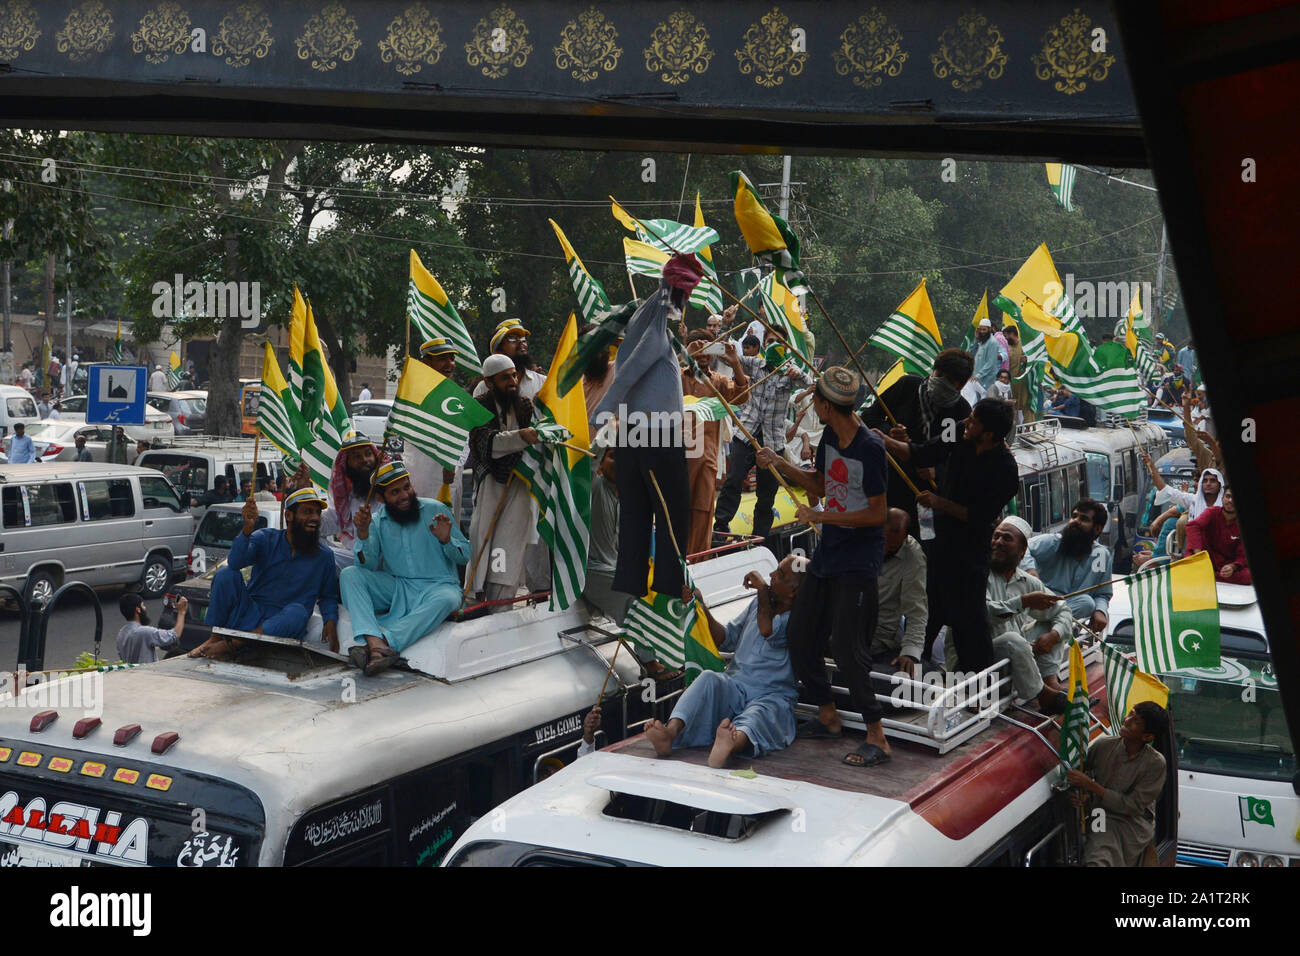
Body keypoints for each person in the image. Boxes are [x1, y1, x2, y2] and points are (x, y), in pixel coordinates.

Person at [758, 367, 890, 767]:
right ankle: (828, 714)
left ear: (826, 406)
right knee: (800, 636)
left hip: (857, 561)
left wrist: (825, 517)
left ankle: (877, 735)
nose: (812, 405)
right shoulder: (831, 436)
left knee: (848, 650)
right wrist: (779, 464)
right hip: (828, 554)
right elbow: (820, 485)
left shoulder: (870, 448)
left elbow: (877, 514)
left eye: (815, 400)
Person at [876, 398, 1020, 673]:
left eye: (974, 421)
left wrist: (940, 503)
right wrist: (885, 441)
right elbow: (922, 452)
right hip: (937, 542)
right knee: (926, 609)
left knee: (971, 623)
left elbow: (980, 515)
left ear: (989, 434)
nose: (966, 422)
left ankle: (979, 686)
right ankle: (914, 670)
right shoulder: (958, 431)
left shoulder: (1005, 470)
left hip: (969, 551)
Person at [643, 555, 804, 768]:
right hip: (736, 686)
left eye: (780, 576)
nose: (772, 576)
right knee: (708, 678)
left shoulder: (798, 620)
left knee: (758, 716)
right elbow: (725, 638)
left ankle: (730, 743)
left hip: (771, 694)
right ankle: (670, 733)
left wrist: (762, 588)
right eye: (775, 571)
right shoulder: (758, 604)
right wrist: (700, 604)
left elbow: (768, 629)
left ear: (793, 592)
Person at [340, 460, 470, 675]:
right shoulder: (377, 521)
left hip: (438, 587)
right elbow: (368, 565)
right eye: (395, 492)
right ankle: (374, 641)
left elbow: (464, 557)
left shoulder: (436, 509)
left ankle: (383, 643)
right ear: (381, 498)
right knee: (350, 575)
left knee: (448, 599)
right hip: (399, 587)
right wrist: (363, 535)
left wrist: (447, 540)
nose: (404, 495)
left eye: (407, 487)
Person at [189, 487, 340, 659]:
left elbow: (328, 596)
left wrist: (330, 620)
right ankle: (214, 638)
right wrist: (247, 529)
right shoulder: (266, 538)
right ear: (289, 516)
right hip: (251, 613)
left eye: (317, 513)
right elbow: (236, 562)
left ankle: (231, 645)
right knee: (225, 574)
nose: (314, 517)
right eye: (307, 512)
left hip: (283, 624)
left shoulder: (324, 555)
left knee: (298, 612)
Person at [713, 328, 813, 542]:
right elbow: (729, 357)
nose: (773, 344)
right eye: (770, 341)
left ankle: (760, 538)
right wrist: (724, 336)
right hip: (746, 434)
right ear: (764, 345)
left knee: (766, 494)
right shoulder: (755, 363)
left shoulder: (790, 371)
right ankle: (720, 528)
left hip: (773, 441)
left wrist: (798, 373)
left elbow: (811, 383)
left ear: (786, 347)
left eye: (778, 342)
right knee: (734, 480)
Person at [861, 348, 973, 528]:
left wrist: (937, 470)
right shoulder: (907, 386)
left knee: (922, 542)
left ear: (961, 385)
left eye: (949, 380)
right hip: (889, 481)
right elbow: (869, 417)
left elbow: (959, 458)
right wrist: (889, 432)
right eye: (939, 375)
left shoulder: (960, 412)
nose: (940, 382)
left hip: (926, 496)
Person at [467, 353, 541, 609]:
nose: (512, 381)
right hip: (491, 484)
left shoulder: (524, 405)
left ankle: (501, 601)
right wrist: (520, 436)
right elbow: (484, 444)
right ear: (489, 382)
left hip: (518, 484)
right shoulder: (478, 407)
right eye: (505, 377)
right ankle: (474, 596)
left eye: (514, 375)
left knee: (506, 545)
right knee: (482, 539)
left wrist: (526, 432)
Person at [983, 517, 1073, 709]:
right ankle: (1044, 695)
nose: (998, 542)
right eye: (996, 536)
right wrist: (1024, 602)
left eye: (1006, 538)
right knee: (1012, 640)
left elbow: (1063, 610)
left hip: (1013, 657)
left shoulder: (1027, 581)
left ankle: (1050, 682)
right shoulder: (980, 575)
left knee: (1049, 625)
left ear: (1022, 551)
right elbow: (985, 613)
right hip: (982, 658)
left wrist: (1052, 635)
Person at [1066, 702, 1170, 867]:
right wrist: (1083, 795)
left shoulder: (1155, 763)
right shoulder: (1103, 746)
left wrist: (1092, 787)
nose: (1127, 721)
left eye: (1136, 721)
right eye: (1130, 714)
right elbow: (1082, 773)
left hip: (1132, 824)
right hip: (1100, 814)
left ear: (1147, 737)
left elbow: (1133, 806)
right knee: (1098, 856)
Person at [682, 330, 749, 554]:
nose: (702, 355)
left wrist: (735, 363)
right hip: (675, 459)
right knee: (674, 511)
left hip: (704, 461)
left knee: (702, 512)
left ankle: (696, 564)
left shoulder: (719, 381)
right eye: (696, 349)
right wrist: (684, 356)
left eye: (707, 349)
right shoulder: (676, 376)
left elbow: (741, 397)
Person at [1020, 499, 1113, 633]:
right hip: (1041, 603)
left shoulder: (1101, 555)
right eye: (1074, 516)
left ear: (1097, 528)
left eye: (1084, 519)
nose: (1075, 521)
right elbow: (1024, 546)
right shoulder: (1054, 541)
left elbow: (1102, 594)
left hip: (1068, 613)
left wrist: (1100, 610)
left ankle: (1045, 631)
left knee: (1087, 603)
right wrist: (1030, 569)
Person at [404, 338, 468, 524]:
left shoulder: (457, 396)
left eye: (451, 359)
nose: (449, 364)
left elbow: (464, 438)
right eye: (442, 359)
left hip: (449, 478)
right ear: (427, 363)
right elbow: (393, 427)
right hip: (420, 475)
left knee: (447, 533)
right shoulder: (413, 393)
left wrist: (454, 465)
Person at [868, 508, 928, 678]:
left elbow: (916, 611)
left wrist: (910, 652)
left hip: (879, 638)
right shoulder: (861, 537)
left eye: (892, 546)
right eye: (882, 542)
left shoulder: (913, 557)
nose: (885, 550)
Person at [581, 448, 635, 624]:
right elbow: (586, 465)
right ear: (601, 464)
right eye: (613, 456)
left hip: (615, 571)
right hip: (591, 573)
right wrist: (608, 431)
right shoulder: (593, 486)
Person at [319, 433, 386, 565]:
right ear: (346, 464)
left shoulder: (388, 490)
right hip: (357, 557)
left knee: (330, 561)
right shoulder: (348, 497)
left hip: (385, 559)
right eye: (357, 456)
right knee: (308, 539)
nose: (365, 459)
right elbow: (331, 522)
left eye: (368, 454)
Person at [1186, 487, 1250, 583]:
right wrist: (1198, 555)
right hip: (1202, 558)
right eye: (1227, 496)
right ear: (1222, 498)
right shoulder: (1212, 512)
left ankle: (1210, 575)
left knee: (1248, 576)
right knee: (1187, 567)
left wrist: (1232, 567)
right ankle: (1209, 574)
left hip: (1224, 565)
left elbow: (1242, 555)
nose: (1230, 501)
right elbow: (1193, 526)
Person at [474, 318, 547, 400]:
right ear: (498, 352)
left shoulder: (543, 382)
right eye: (512, 338)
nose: (520, 342)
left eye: (523, 338)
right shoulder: (483, 388)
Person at [116, 593, 187, 664]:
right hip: (146, 673)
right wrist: (181, 612)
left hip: (128, 673)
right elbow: (175, 635)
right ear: (138, 610)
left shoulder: (121, 633)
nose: (145, 608)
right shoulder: (144, 632)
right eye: (143, 605)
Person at [1004, 324, 1033, 423]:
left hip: (1023, 381)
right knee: (1013, 404)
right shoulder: (1008, 347)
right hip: (1012, 382)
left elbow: (1033, 358)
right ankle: (1015, 426)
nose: (1006, 338)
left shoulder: (1025, 344)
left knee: (1025, 403)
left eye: (1006, 336)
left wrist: (1027, 360)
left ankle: (1028, 427)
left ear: (1012, 334)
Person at [973, 317, 1005, 389]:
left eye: (984, 329)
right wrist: (976, 339)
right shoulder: (981, 341)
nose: (982, 332)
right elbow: (971, 353)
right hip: (977, 378)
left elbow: (990, 362)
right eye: (980, 329)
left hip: (987, 380)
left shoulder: (993, 342)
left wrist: (978, 375)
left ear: (990, 329)